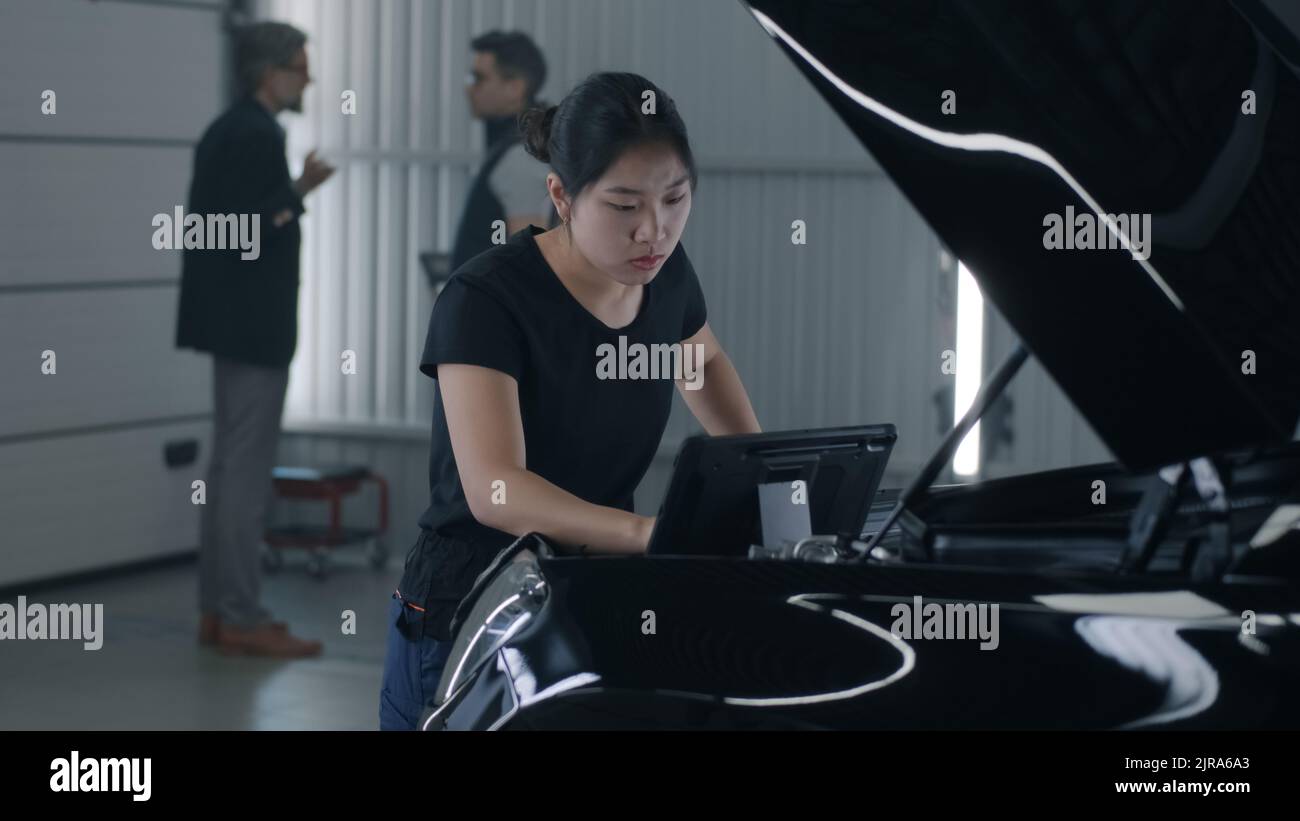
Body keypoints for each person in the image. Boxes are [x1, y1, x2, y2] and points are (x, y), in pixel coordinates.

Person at [380, 72, 762, 729]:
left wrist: (767, 478)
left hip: (594, 597)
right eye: (623, 206)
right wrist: (652, 536)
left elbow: (701, 361)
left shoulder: (665, 275)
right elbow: (496, 488)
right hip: (472, 609)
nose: (654, 230)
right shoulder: (486, 298)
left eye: (675, 198)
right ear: (560, 195)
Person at [176, 21, 335, 657]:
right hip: (252, 329)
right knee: (243, 475)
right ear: (271, 72)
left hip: (231, 326)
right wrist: (298, 192)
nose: (309, 78)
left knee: (228, 468)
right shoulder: (255, 133)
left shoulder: (228, 128)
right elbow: (249, 229)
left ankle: (219, 610)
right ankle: (240, 613)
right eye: (300, 65)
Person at [449, 31, 554, 271]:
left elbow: (532, 263)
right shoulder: (516, 147)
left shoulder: (520, 156)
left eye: (478, 78)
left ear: (515, 88)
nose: (469, 88)